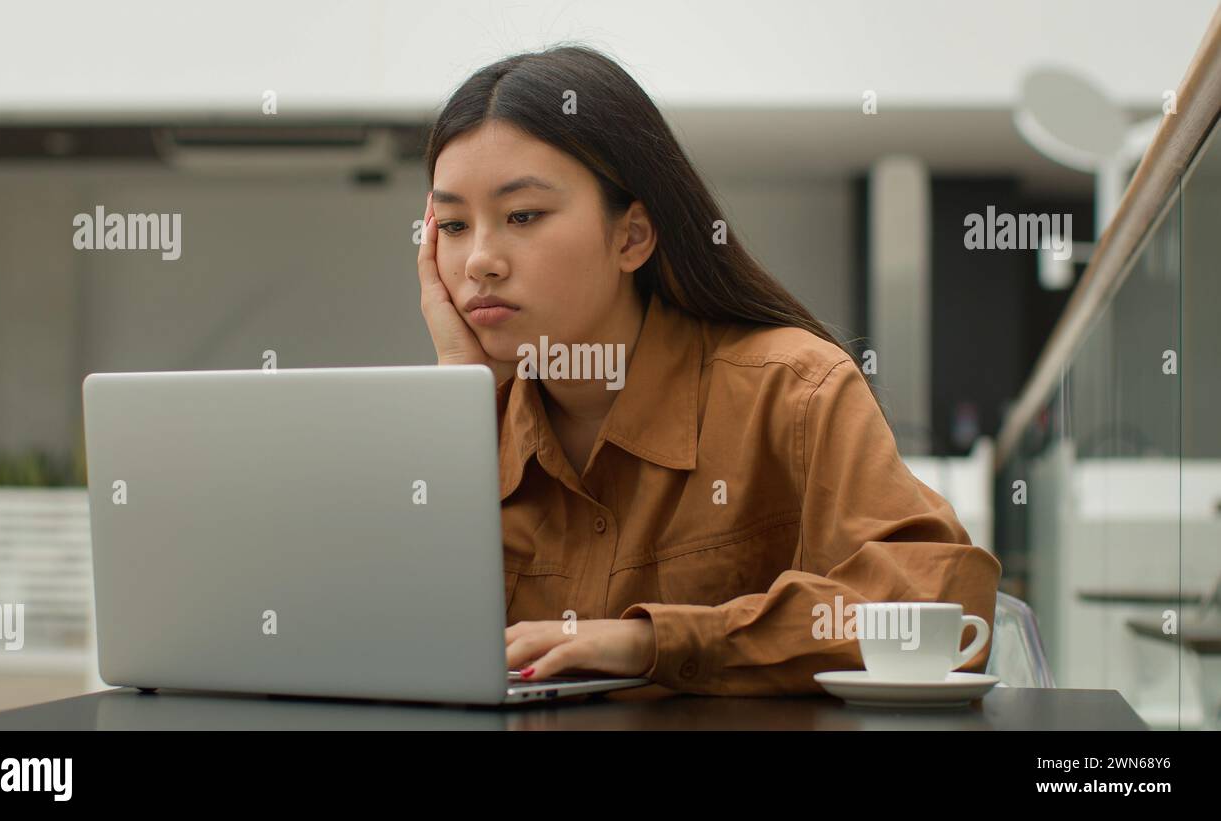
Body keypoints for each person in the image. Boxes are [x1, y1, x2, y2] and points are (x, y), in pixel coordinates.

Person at [415, 44, 1001, 696]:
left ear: (632, 236)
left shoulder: (792, 390)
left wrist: (652, 642)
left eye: (522, 215)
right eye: (456, 225)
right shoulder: (465, 419)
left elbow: (938, 600)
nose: (479, 261)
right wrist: (457, 400)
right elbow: (386, 637)